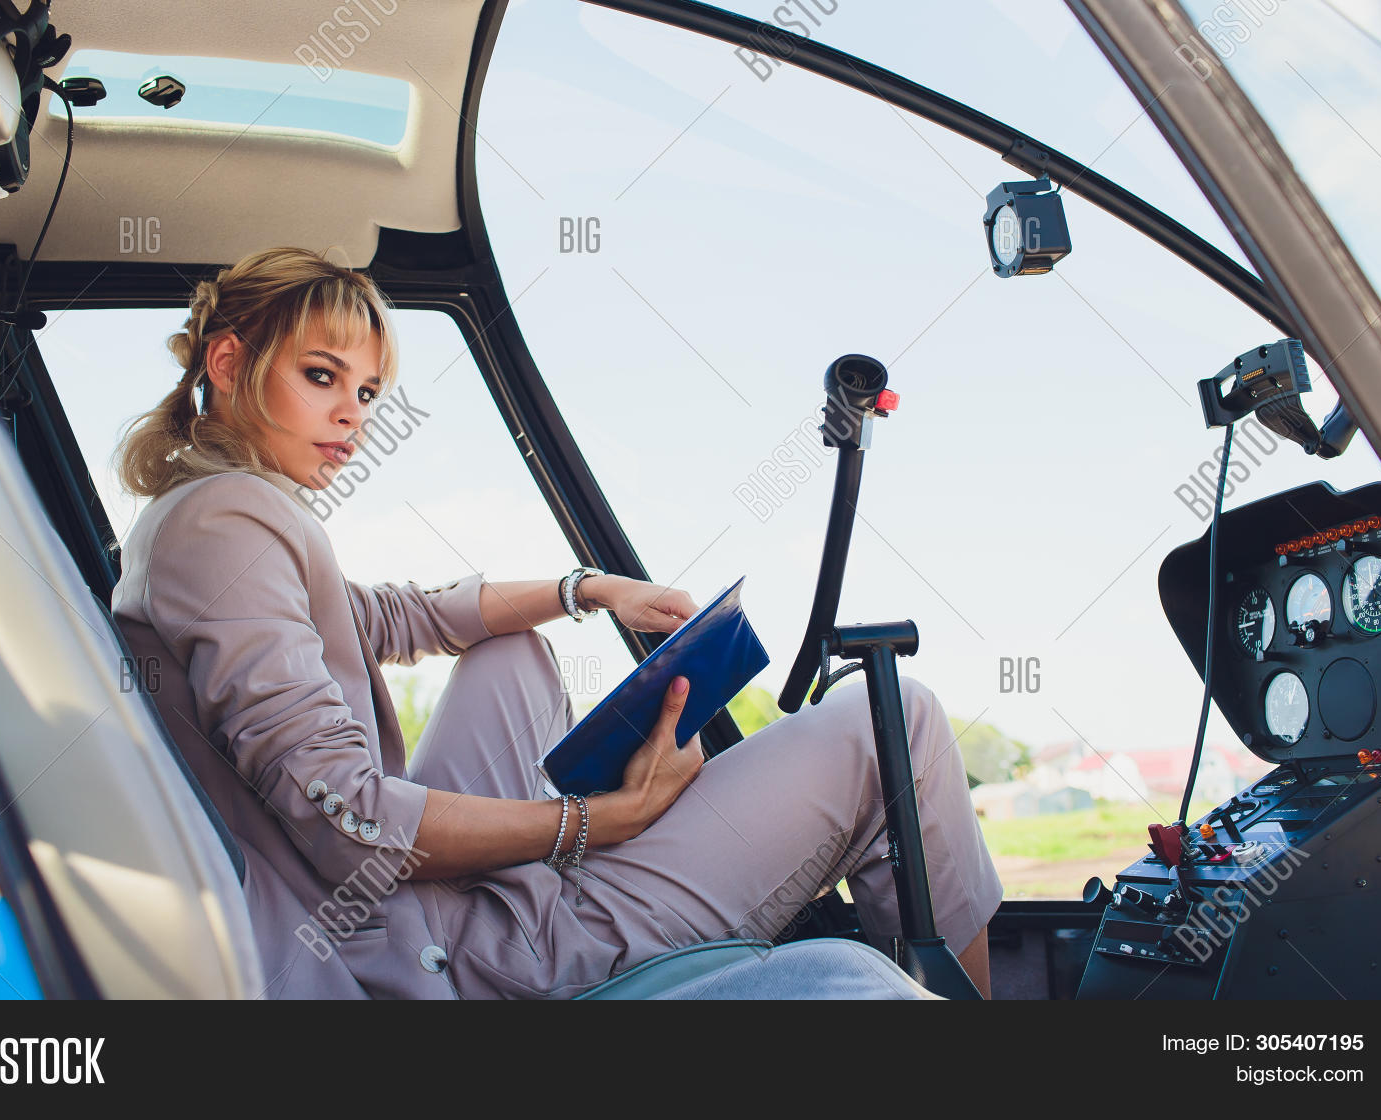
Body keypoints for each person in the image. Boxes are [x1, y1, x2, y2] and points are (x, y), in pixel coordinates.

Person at [109, 246, 1003, 1000]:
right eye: (321, 376)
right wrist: (598, 822)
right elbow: (348, 823)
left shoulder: (214, 519)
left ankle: (592, 850)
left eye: (370, 392)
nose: (353, 414)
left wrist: (590, 590)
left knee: (510, 653)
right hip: (456, 961)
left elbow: (393, 616)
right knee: (903, 724)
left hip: (456, 912)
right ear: (228, 366)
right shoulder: (225, 524)